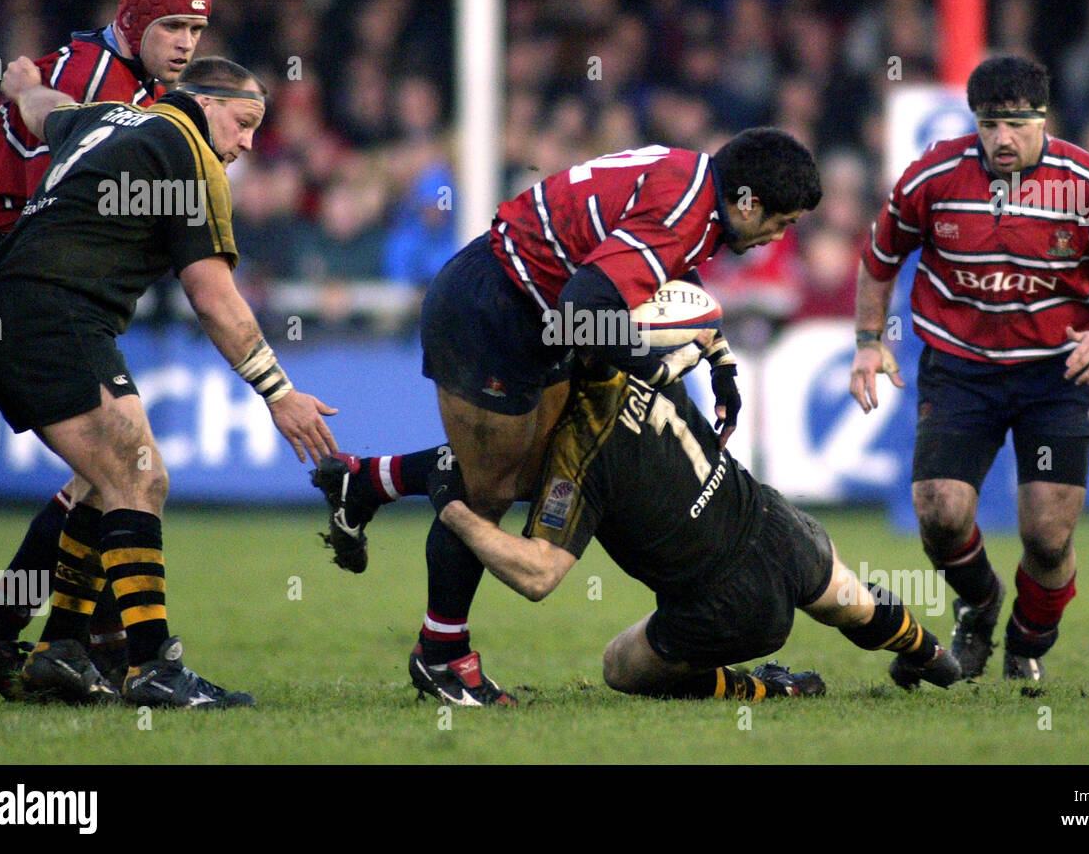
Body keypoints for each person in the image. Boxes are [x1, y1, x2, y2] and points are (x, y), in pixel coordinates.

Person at [313, 131, 823, 705]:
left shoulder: (697, 186)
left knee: (530, 472)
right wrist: (651, 367)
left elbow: (664, 273)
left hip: (537, 309)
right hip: (492, 313)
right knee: (488, 495)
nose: (780, 236)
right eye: (782, 221)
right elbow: (584, 308)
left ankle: (366, 481)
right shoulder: (686, 211)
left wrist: (717, 355)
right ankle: (440, 656)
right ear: (748, 202)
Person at [0, 56, 338, 708]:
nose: (247, 143)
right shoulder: (188, 156)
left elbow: (47, 110)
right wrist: (280, 392)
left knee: (101, 485)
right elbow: (214, 296)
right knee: (140, 477)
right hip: (52, 315)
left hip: (7, 308)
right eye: (243, 122)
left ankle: (40, 643)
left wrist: (21, 87)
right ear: (203, 103)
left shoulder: (109, 119)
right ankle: (153, 666)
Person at [849, 56, 1089, 681]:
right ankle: (980, 602)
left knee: (1048, 535)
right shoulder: (934, 175)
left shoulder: (1087, 184)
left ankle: (1028, 638)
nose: (1003, 139)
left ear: (1043, 120)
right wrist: (869, 341)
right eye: (990, 124)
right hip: (960, 370)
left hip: (1057, 376)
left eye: (1017, 125)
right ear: (973, 121)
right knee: (940, 511)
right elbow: (879, 256)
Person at [0, 0, 211, 701]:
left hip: (23, 275)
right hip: (10, 271)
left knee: (106, 476)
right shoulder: (97, 81)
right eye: (173, 26)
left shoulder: (130, 85)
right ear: (133, 20)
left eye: (197, 28)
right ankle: (111, 648)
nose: (188, 42)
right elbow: (40, 131)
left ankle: (11, 636)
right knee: (126, 471)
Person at [424, 360, 963, 701]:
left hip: (725, 607)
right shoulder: (646, 361)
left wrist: (452, 507)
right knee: (852, 602)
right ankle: (930, 654)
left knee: (619, 667)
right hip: (775, 524)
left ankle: (768, 689)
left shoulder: (578, 452)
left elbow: (538, 574)